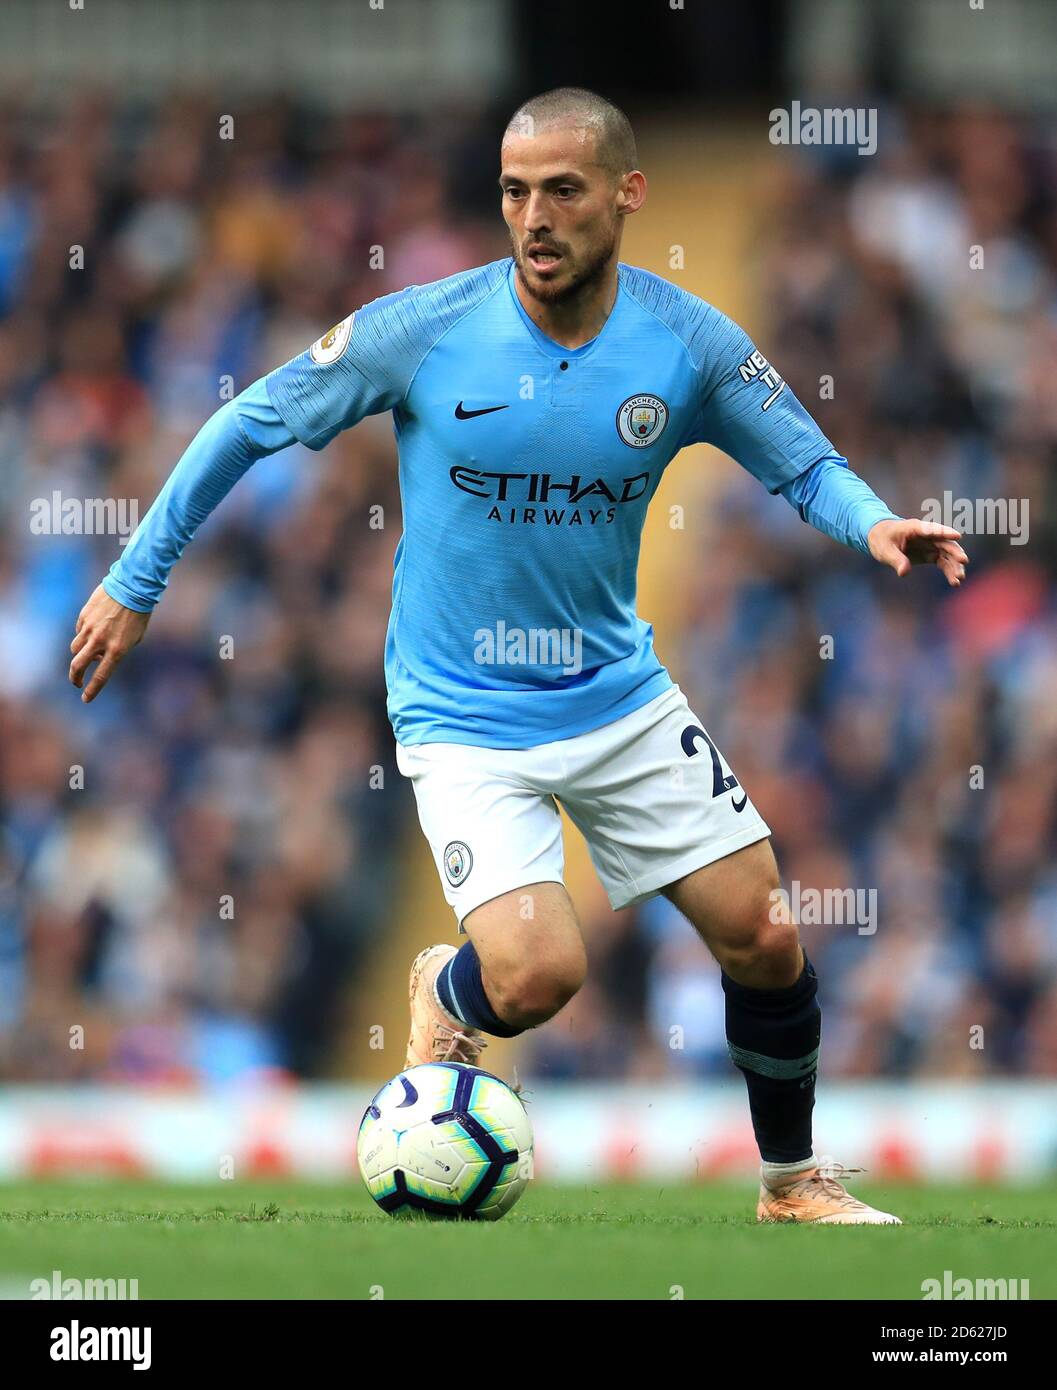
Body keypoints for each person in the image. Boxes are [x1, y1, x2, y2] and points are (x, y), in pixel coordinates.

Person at [69, 87, 968, 1224]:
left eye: (561, 189)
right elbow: (248, 416)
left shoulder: (686, 343)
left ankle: (789, 1181)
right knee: (540, 976)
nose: (532, 217)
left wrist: (875, 522)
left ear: (628, 195)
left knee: (768, 934)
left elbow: (804, 464)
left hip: (618, 693)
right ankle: (450, 990)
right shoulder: (425, 327)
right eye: (512, 191)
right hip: (462, 714)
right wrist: (134, 579)